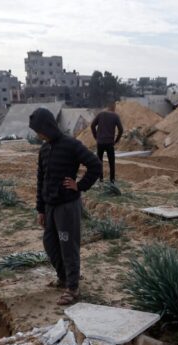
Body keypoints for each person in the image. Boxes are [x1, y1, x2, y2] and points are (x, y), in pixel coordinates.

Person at [29, 107, 102, 305]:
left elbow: (95, 165)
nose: (38, 135)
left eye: (39, 130)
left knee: (68, 247)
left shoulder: (71, 145)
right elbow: (41, 179)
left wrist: (79, 186)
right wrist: (40, 209)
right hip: (50, 207)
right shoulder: (44, 149)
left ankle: (73, 288)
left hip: (67, 207)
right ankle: (64, 278)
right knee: (50, 244)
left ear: (47, 126)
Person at [90, 102, 123, 184]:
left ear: (107, 107)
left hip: (100, 142)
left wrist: (96, 137)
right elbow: (121, 130)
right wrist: (116, 140)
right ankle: (112, 181)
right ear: (113, 108)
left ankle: (100, 180)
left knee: (99, 162)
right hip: (109, 143)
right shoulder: (115, 116)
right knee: (111, 163)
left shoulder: (101, 114)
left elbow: (92, 125)